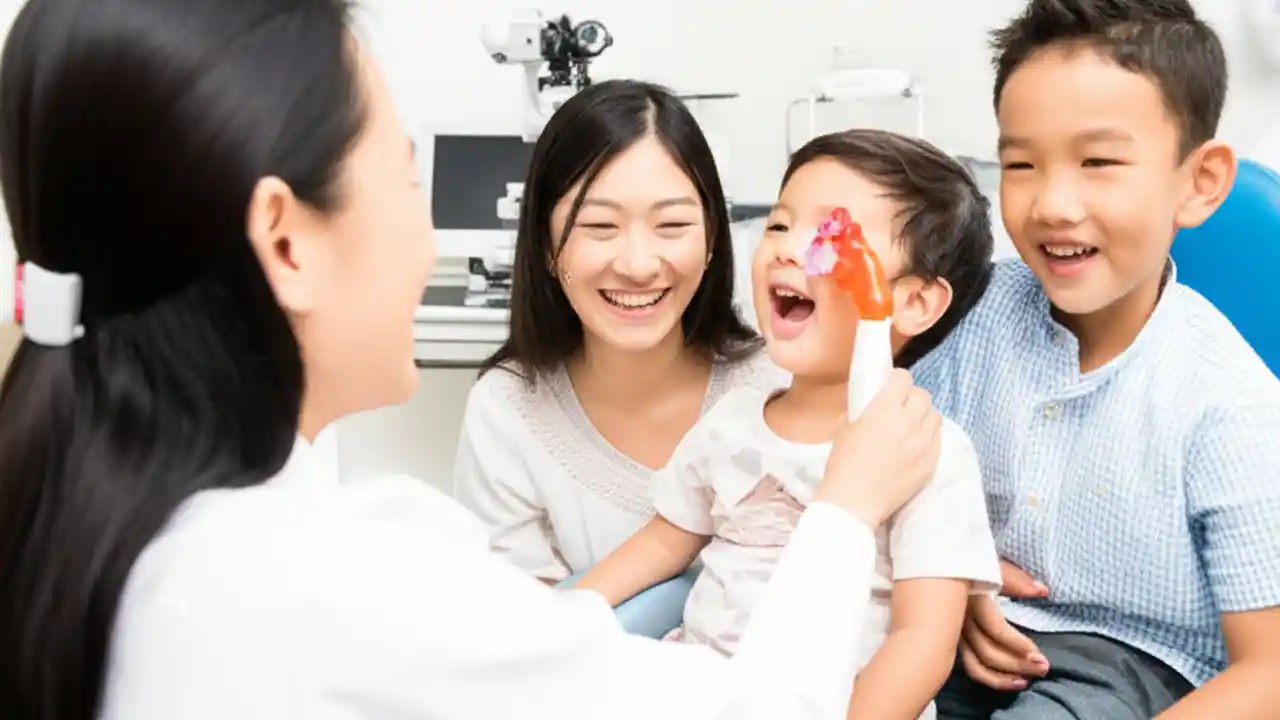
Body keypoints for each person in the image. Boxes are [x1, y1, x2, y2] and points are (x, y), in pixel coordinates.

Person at [0, 1, 947, 719]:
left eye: (671, 223)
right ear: (287, 244)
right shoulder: (336, 581)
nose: (428, 236)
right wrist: (848, 509)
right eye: (406, 176)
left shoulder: (101, 531)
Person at [913, 1, 1280, 718]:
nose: (1052, 204)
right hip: (952, 620)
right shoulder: (968, 316)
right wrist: (948, 576)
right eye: (1020, 163)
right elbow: (877, 471)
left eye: (1099, 162)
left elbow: (1268, 672)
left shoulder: (1231, 406)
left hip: (1132, 664)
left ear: (1199, 182)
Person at [576, 129, 1002, 720]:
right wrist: (562, 615)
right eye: (779, 226)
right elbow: (661, 543)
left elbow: (923, 643)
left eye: (830, 234)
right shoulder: (730, 424)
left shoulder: (927, 453)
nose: (786, 248)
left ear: (913, 304)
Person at [454, 79, 785, 582]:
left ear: (713, 237)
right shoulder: (508, 411)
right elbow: (517, 634)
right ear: (546, 245)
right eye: (599, 227)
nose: (637, 265)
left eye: (671, 226)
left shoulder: (779, 388)